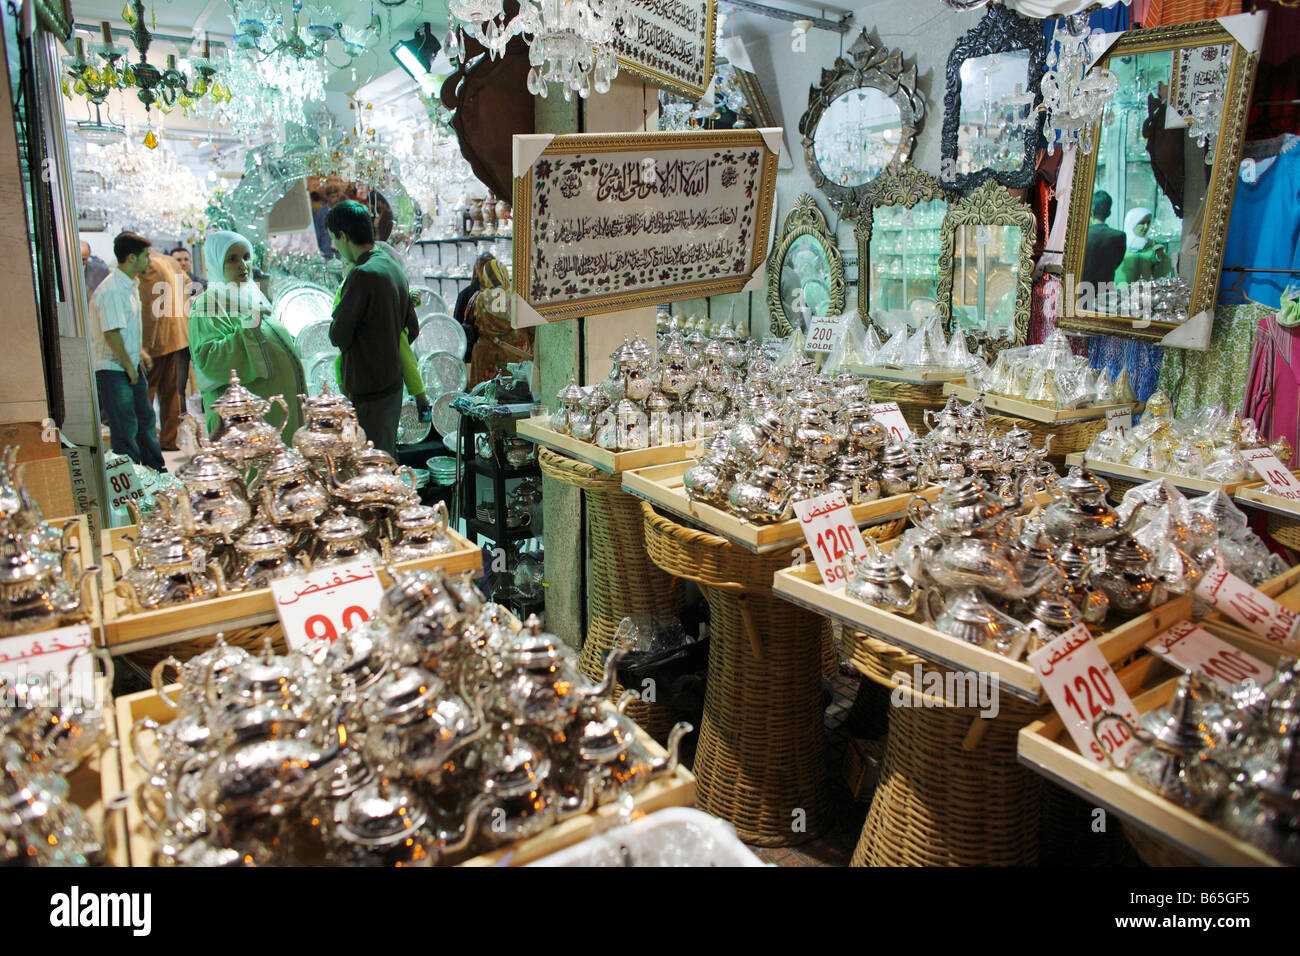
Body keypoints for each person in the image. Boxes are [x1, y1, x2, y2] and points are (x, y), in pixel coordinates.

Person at [188, 230, 306, 444]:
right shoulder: (207, 304)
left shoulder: (251, 294)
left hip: (276, 414)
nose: (243, 265)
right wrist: (247, 328)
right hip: (245, 426)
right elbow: (208, 360)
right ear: (216, 263)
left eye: (246, 257)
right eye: (232, 259)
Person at [327, 200, 418, 456]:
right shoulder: (393, 266)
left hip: (369, 390)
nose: (336, 247)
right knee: (385, 457)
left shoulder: (362, 274)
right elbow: (412, 328)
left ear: (343, 236)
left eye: (334, 239)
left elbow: (338, 335)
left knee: (372, 467)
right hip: (390, 384)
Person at [88, 232, 166, 471]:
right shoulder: (112, 289)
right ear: (131, 258)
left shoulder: (130, 285)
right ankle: (131, 481)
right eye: (145, 256)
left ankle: (155, 471)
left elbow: (125, 329)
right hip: (114, 368)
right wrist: (130, 367)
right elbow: (111, 334)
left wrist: (139, 356)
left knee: (145, 420)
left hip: (129, 365)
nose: (149, 261)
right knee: (125, 427)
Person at [137, 251, 190, 451]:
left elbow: (151, 306)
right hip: (179, 333)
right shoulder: (169, 261)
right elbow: (187, 284)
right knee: (172, 392)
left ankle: (146, 443)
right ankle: (169, 440)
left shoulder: (149, 265)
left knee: (147, 392)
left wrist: (145, 343)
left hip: (160, 337)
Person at [468, 256, 532, 387]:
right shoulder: (517, 298)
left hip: (486, 355)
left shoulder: (479, 298)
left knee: (486, 393)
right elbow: (531, 328)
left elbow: (470, 322)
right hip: (514, 354)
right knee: (513, 391)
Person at [1081, 191, 1127, 288]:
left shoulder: (1082, 235)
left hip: (1081, 290)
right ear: (1109, 213)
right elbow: (1116, 263)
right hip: (1106, 290)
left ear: (1091, 213)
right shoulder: (1120, 236)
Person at [1116, 207, 1171, 285]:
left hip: (1143, 292)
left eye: (1148, 223)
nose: (1146, 227)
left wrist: (1160, 257)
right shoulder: (1119, 243)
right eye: (1142, 222)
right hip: (1120, 292)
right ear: (1133, 222)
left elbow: (1160, 275)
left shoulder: (1152, 245)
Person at [454, 252, 493, 360]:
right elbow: (457, 328)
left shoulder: (498, 294)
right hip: (472, 354)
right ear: (476, 270)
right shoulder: (465, 295)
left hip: (493, 354)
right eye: (485, 270)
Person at [315, 182, 344, 259]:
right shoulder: (321, 213)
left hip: (341, 251)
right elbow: (317, 232)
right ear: (327, 197)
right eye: (332, 197)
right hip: (326, 250)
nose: (335, 199)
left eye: (337, 196)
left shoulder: (343, 211)